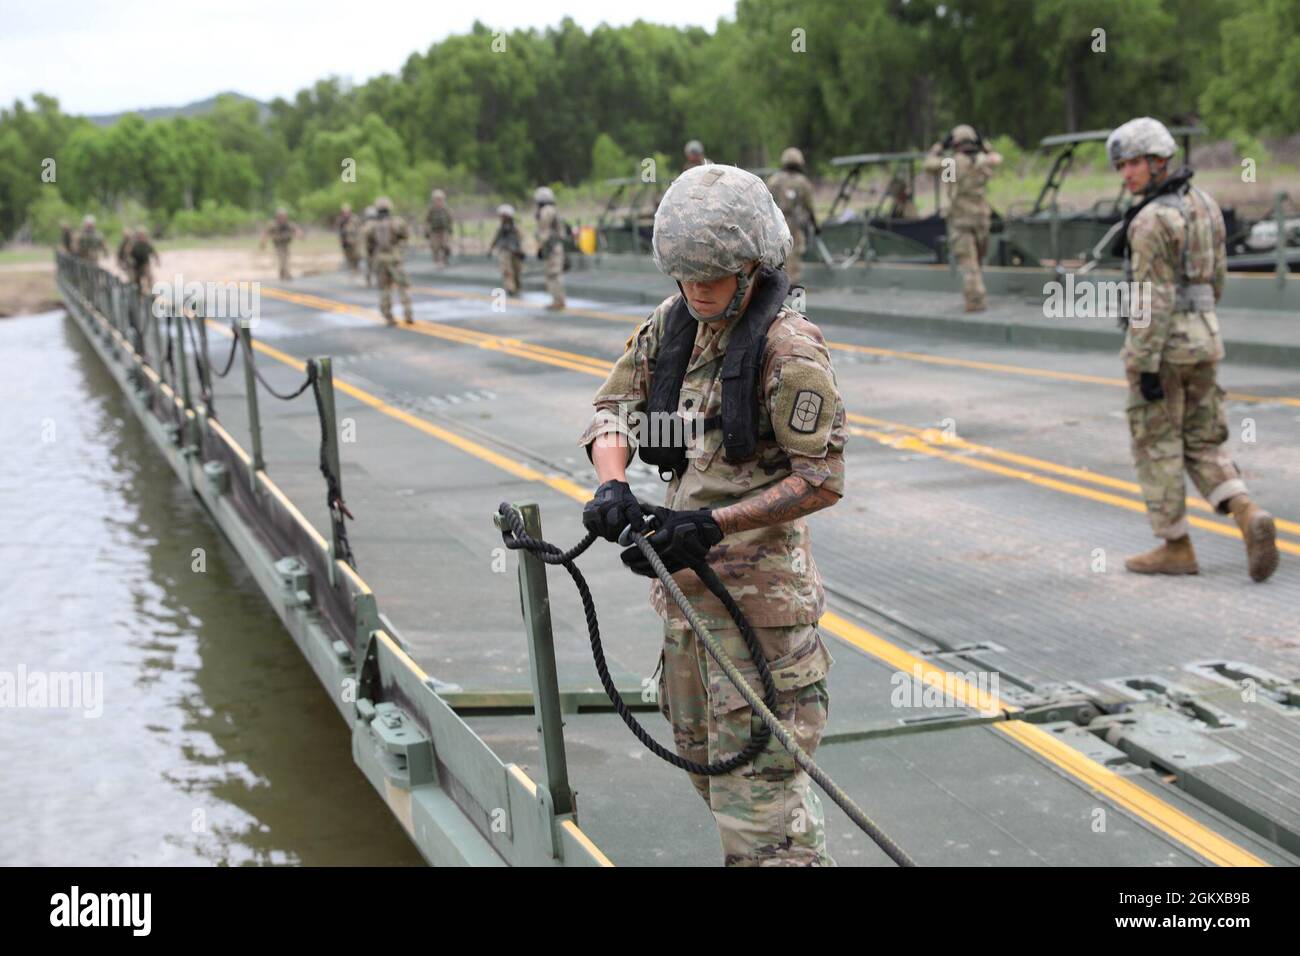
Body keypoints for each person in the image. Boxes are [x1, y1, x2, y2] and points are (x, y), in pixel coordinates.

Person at [577, 164, 848, 866]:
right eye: (686, 276)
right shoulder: (673, 327)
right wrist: (613, 484)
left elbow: (821, 479)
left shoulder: (788, 349)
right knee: (714, 778)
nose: (698, 290)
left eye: (713, 277)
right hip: (687, 606)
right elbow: (613, 410)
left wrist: (713, 525)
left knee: (758, 815)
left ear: (754, 265)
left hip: (760, 618)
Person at [1107, 116, 1278, 582]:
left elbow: (1151, 299)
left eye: (1135, 164)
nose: (1127, 174)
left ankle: (1175, 545)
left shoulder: (1148, 221)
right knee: (1203, 441)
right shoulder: (1205, 204)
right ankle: (1247, 513)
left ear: (1160, 161)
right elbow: (1217, 279)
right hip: (1205, 339)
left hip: (1163, 348)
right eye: (1122, 166)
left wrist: (1142, 363)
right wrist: (1198, 323)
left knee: (1155, 442)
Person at [923, 124, 1001, 311]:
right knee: (978, 260)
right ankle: (976, 294)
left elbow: (929, 165)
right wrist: (984, 144)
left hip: (961, 219)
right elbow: (997, 157)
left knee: (969, 263)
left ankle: (976, 300)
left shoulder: (952, 162)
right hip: (981, 217)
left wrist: (939, 146)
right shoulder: (983, 160)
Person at [766, 147, 819, 285]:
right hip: (794, 224)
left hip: (776, 222)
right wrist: (815, 225)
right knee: (794, 254)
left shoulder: (774, 180)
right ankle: (792, 286)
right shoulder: (803, 182)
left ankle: (777, 285)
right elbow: (810, 207)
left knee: (776, 253)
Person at [364, 196, 413, 326]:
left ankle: (388, 316)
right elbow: (406, 236)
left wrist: (372, 256)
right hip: (395, 258)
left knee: (384, 289)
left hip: (380, 260)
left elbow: (368, 245)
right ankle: (408, 313)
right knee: (403, 286)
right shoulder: (397, 222)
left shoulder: (371, 226)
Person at [533, 186, 565, 311]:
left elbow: (544, 231)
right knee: (554, 273)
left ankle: (558, 301)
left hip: (551, 247)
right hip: (554, 246)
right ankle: (558, 300)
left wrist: (541, 247)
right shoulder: (552, 209)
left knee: (553, 274)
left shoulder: (546, 211)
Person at [488, 203, 524, 296]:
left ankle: (517, 287)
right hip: (504, 251)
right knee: (506, 270)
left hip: (515, 251)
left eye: (504, 216)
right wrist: (491, 249)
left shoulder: (516, 227)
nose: (502, 218)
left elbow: (521, 239)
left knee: (517, 271)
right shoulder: (501, 228)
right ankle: (510, 288)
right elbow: (495, 239)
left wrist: (521, 250)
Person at [260, 207, 303, 280]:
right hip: (278, 245)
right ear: (277, 216)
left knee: (286, 258)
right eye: (281, 216)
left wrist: (299, 235)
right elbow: (266, 233)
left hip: (286, 244)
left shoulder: (288, 224)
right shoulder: (273, 224)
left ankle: (282, 274)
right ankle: (287, 274)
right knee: (282, 258)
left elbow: (296, 230)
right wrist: (263, 243)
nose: (282, 218)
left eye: (284, 216)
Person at [426, 189, 453, 267]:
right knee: (435, 247)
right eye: (436, 199)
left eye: (440, 199)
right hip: (434, 232)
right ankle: (438, 261)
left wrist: (450, 228)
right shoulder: (431, 209)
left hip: (444, 231)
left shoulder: (445, 208)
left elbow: (450, 219)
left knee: (446, 246)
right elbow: (427, 220)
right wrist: (427, 231)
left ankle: (445, 259)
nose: (438, 201)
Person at [128, 228, 160, 295]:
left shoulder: (147, 243)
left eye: (142, 235)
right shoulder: (133, 244)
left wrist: (157, 260)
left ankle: (154, 293)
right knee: (136, 280)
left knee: (149, 278)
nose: (141, 237)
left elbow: (154, 252)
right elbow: (129, 254)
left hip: (145, 263)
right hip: (136, 265)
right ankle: (139, 294)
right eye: (140, 235)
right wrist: (130, 261)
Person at [337, 203, 362, 274]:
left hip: (354, 240)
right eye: (344, 212)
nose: (345, 213)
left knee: (356, 255)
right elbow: (339, 230)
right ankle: (352, 268)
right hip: (345, 240)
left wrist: (358, 238)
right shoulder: (341, 219)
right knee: (348, 255)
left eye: (347, 212)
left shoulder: (355, 218)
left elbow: (359, 229)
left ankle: (356, 267)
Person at [362, 205, 378, 287]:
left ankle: (368, 281)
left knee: (369, 265)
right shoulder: (376, 223)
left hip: (369, 248)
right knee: (375, 264)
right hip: (374, 247)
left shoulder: (367, 225)